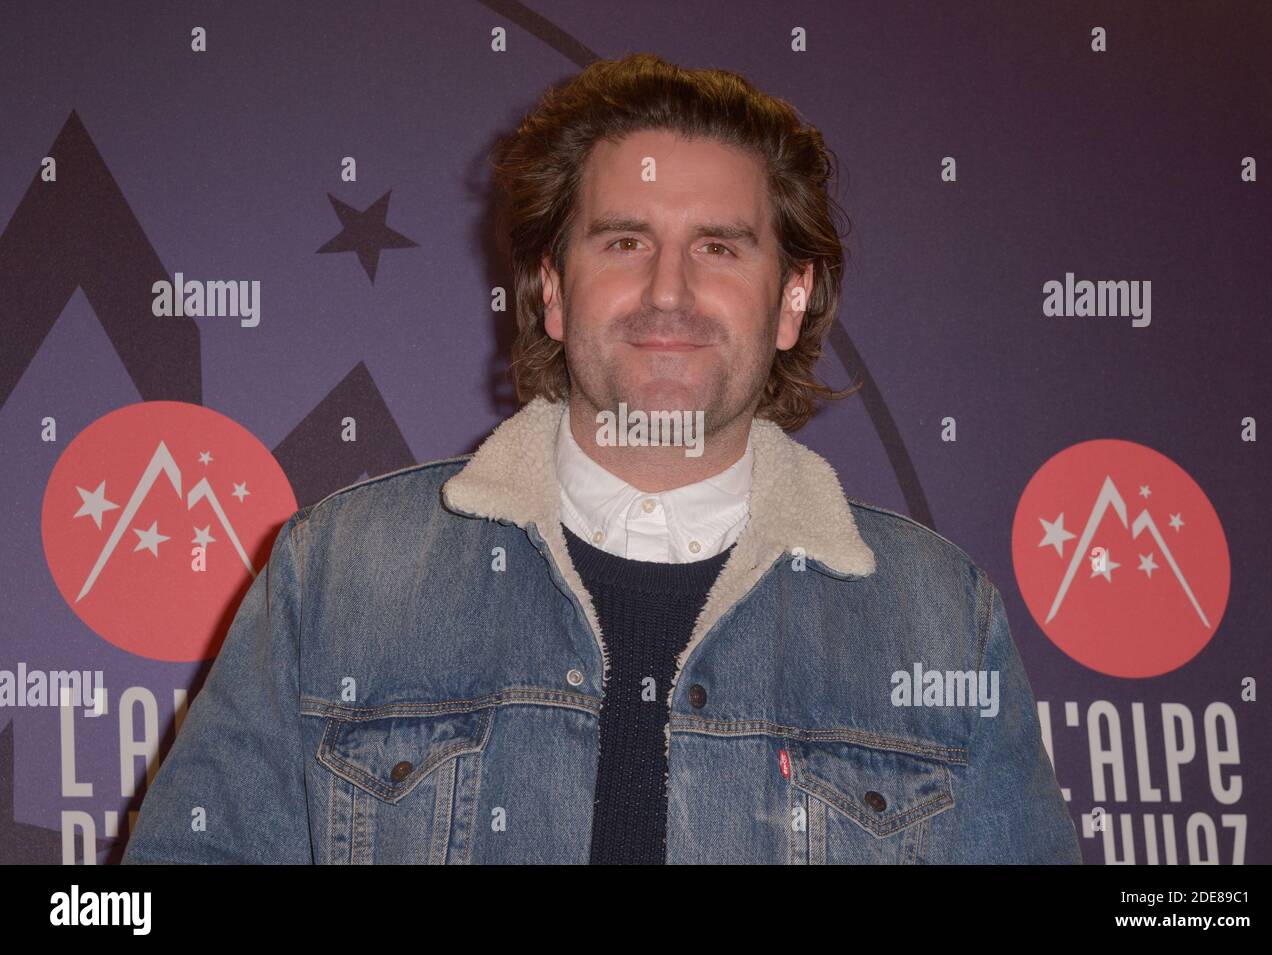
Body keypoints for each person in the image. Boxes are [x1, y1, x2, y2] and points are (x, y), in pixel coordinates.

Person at [123, 52, 1080, 864]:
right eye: (625, 241)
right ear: (551, 289)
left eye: (720, 246)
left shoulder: (938, 618)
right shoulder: (337, 575)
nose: (670, 291)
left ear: (792, 299)